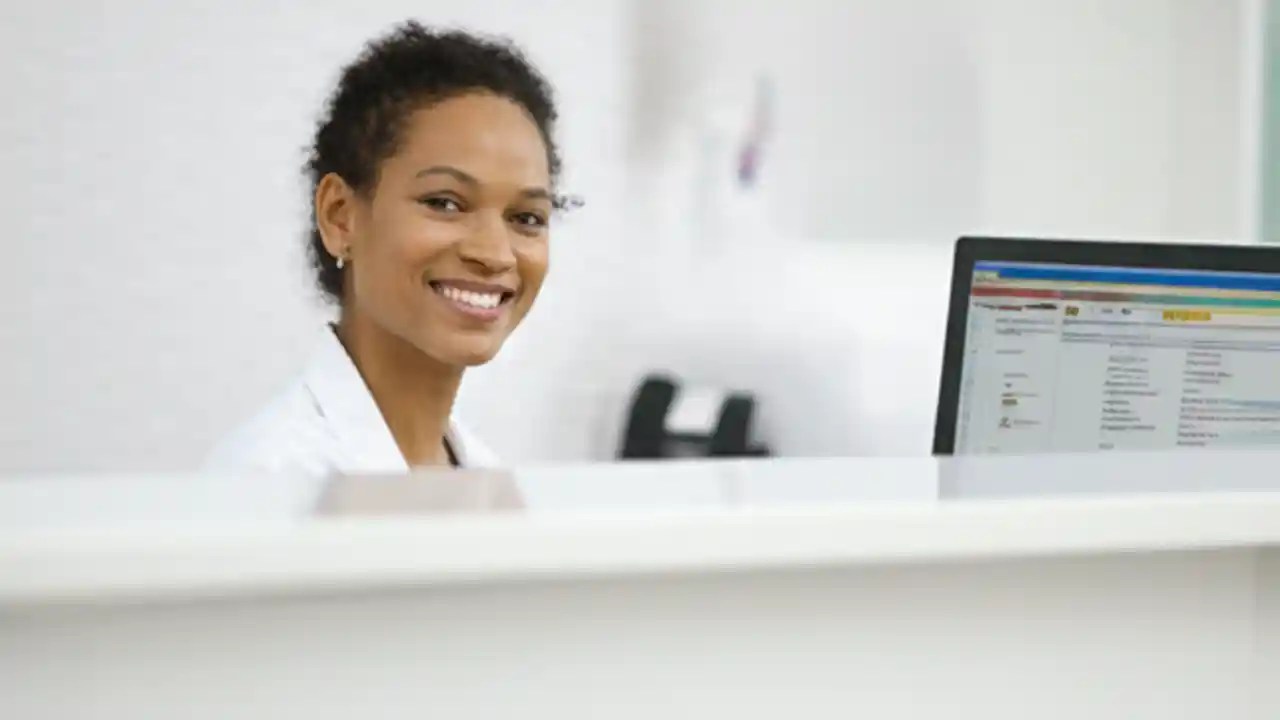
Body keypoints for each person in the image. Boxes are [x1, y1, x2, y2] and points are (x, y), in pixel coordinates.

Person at [207, 21, 563, 474]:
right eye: (445, 203)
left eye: (526, 218)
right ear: (340, 216)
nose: (495, 254)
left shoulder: (483, 473)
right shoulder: (271, 476)